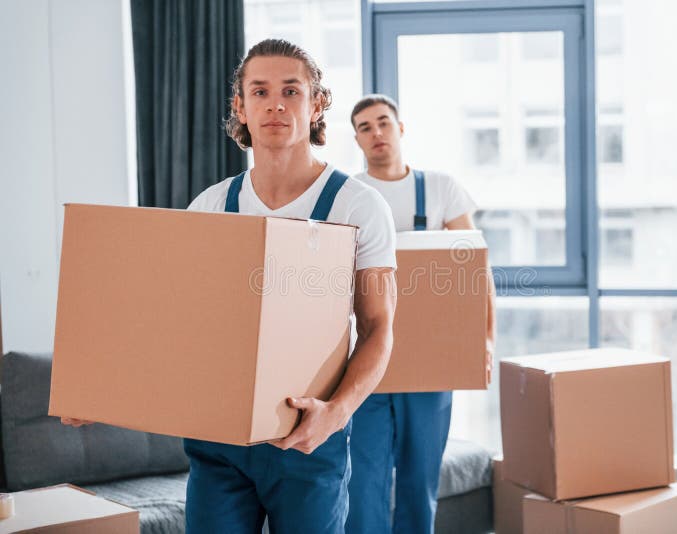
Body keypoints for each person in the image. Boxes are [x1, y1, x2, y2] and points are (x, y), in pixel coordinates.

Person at [63, 39, 398, 534]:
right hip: (217, 446)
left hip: (307, 440)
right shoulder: (212, 206)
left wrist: (336, 413)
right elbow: (174, 328)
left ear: (317, 103)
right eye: (259, 91)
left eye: (291, 90)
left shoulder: (357, 206)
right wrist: (101, 392)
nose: (276, 104)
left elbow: (378, 330)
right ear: (240, 107)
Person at [345, 94, 496, 534]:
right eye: (365, 127)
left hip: (430, 363)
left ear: (400, 128)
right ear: (356, 139)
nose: (376, 134)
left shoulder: (442, 189)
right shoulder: (350, 194)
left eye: (383, 123)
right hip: (365, 359)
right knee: (364, 481)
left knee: (419, 479)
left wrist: (483, 341)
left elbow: (474, 271)